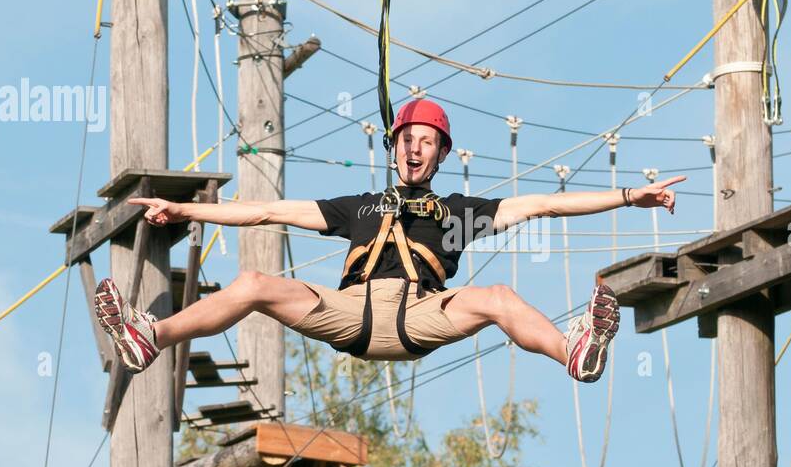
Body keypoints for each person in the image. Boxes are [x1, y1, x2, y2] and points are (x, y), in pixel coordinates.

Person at [93, 98, 685, 384]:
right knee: (251, 284)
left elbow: (548, 202)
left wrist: (636, 195)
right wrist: (186, 209)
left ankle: (573, 354)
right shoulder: (358, 207)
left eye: (427, 141)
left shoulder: (459, 212)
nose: (415, 147)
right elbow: (265, 210)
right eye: (407, 138)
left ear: (442, 153)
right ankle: (150, 338)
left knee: (500, 296)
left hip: (421, 315)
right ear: (394, 146)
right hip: (351, 314)